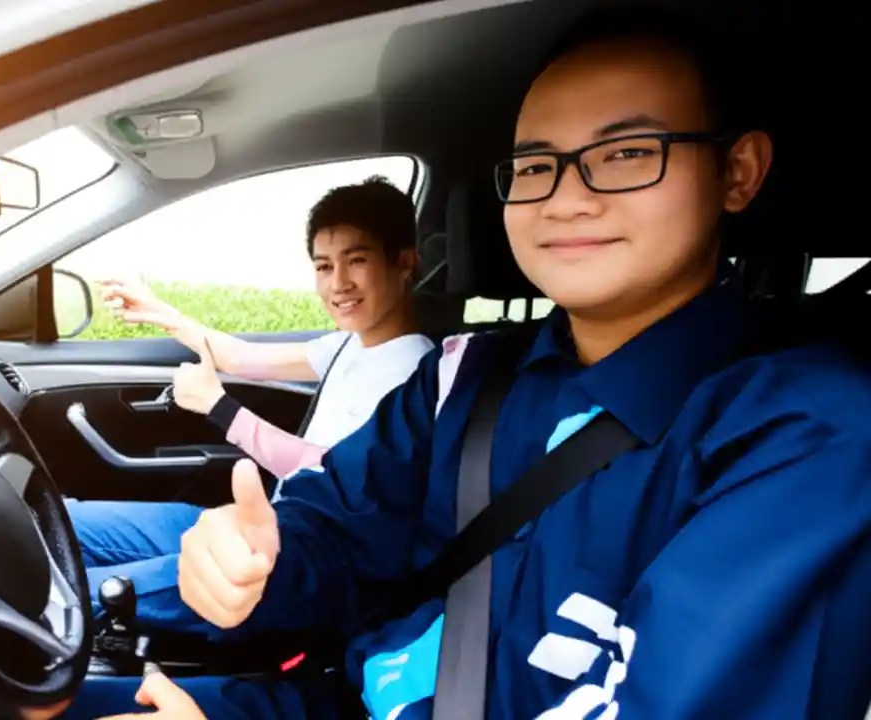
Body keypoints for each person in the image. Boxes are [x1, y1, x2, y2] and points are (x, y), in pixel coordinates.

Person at [46, 8, 871, 720]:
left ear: (737, 171)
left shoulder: (805, 434)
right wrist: (261, 559)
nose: (567, 197)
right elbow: (339, 529)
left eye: (628, 153)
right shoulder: (470, 380)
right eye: (537, 165)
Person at [67, 177, 435, 631]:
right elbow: (241, 357)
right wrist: (154, 309)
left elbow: (331, 469)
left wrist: (219, 409)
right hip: (259, 526)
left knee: (74, 598)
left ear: (405, 262)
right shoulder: (347, 344)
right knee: (64, 521)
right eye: (323, 266)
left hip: (296, 560)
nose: (338, 283)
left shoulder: (417, 374)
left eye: (356, 261)